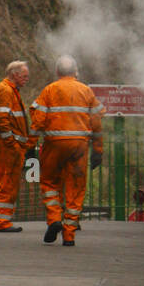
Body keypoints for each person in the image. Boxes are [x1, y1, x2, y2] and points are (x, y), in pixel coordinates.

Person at [31, 55, 104, 246]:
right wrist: (98, 149)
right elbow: (96, 123)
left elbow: (38, 120)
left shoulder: (49, 90)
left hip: (54, 144)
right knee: (76, 187)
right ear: (76, 72)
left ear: (57, 72)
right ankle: (69, 235)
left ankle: (54, 219)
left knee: (49, 182)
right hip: (79, 145)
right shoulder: (86, 90)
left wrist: (30, 144)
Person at [0, 60, 37, 233]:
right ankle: (2, 221)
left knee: (9, 182)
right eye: (24, 76)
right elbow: (2, 120)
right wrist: (12, 144)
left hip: (10, 145)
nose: (26, 79)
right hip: (7, 146)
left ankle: (4, 220)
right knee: (7, 182)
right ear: (14, 75)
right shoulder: (5, 91)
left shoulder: (9, 90)